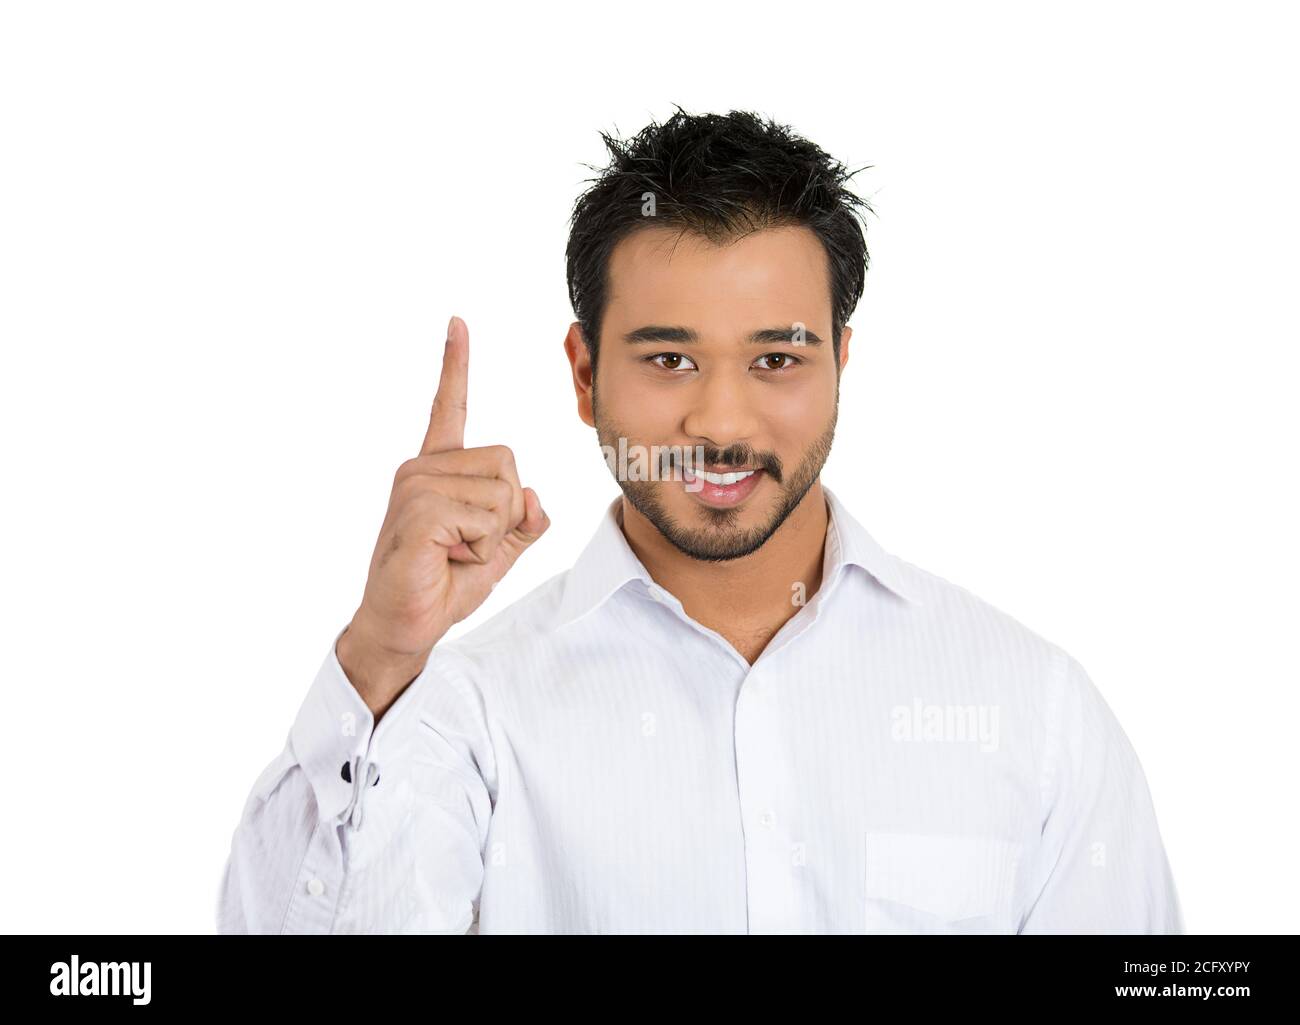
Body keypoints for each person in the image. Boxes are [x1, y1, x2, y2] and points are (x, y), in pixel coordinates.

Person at [217, 108, 1183, 934]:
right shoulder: (468, 712)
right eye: (669, 359)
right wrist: (383, 654)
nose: (720, 423)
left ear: (841, 359)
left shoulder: (1033, 706)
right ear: (586, 375)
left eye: (777, 359)